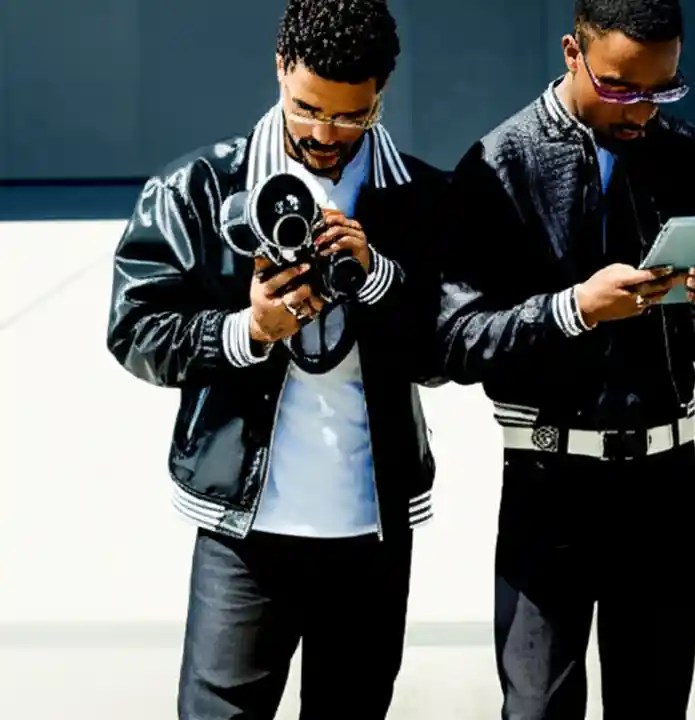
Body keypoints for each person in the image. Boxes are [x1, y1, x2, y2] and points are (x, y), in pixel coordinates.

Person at [104, 1, 446, 717]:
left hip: (372, 530)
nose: (327, 135)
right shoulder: (197, 188)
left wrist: (379, 276)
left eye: (354, 116)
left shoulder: (422, 198)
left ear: (383, 87)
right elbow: (135, 330)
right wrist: (248, 330)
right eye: (308, 108)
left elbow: (451, 349)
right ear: (280, 68)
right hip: (243, 534)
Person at [434, 0, 695, 716]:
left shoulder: (687, 155)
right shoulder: (500, 162)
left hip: (666, 484)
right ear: (571, 52)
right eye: (620, 86)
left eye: (660, 88)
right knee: (538, 709)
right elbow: (454, 339)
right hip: (548, 482)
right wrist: (574, 309)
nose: (640, 109)